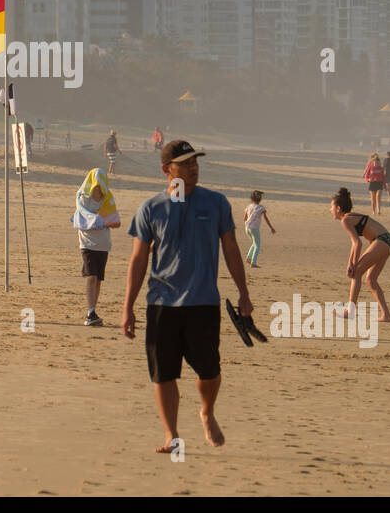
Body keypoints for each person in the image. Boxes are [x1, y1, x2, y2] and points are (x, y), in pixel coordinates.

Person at [121, 140, 253, 453]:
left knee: (210, 372)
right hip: (161, 304)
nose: (193, 168)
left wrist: (243, 293)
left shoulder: (216, 203)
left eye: (195, 162)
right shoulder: (151, 208)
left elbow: (231, 248)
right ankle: (172, 434)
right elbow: (138, 259)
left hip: (203, 302)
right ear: (167, 169)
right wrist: (127, 307)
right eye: (185, 163)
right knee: (163, 373)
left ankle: (206, 411)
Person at [331, 186, 390, 323]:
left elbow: (357, 244)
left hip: (381, 240)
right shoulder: (350, 217)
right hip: (387, 241)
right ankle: (386, 316)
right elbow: (354, 244)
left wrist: (353, 265)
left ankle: (350, 311)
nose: (330, 210)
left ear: (338, 209)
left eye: (332, 207)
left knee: (357, 273)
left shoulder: (345, 220)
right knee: (370, 280)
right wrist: (350, 262)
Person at [72, 168, 121, 327]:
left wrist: (103, 222)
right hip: (87, 244)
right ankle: (90, 313)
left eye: (101, 185)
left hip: (103, 244)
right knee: (91, 276)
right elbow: (82, 221)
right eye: (96, 185)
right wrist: (103, 222)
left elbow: (116, 221)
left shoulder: (107, 199)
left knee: (98, 279)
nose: (98, 188)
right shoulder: (82, 198)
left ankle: (93, 311)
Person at [242, 190, 275, 270]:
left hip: (247, 227)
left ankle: (249, 258)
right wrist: (271, 227)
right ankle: (253, 263)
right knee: (257, 245)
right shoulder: (261, 208)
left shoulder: (249, 206)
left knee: (254, 243)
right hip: (254, 228)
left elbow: (245, 218)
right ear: (260, 199)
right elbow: (266, 218)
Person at [363, 152, 385, 216]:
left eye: (378, 162)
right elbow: (366, 176)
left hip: (379, 183)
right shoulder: (370, 166)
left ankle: (378, 211)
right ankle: (373, 211)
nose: (377, 163)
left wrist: (385, 185)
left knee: (378, 197)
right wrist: (368, 180)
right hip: (372, 183)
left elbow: (383, 177)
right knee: (373, 198)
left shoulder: (381, 168)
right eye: (376, 162)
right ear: (373, 162)